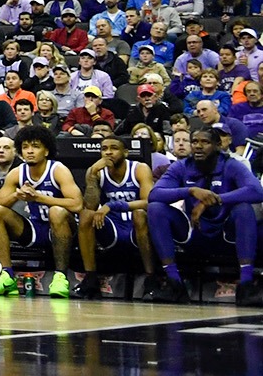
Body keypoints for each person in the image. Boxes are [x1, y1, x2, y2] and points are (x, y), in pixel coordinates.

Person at [145, 126, 263, 304]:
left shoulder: (231, 164)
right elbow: (154, 194)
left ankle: (246, 285)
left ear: (218, 146)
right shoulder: (182, 166)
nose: (198, 146)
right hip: (194, 232)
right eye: (194, 142)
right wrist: (190, 191)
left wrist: (213, 199)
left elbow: (257, 191)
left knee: (244, 208)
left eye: (205, 142)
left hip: (225, 233)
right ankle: (175, 283)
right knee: (155, 208)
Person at [0, 125, 83, 298]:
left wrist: (38, 197)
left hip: (64, 229)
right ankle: (7, 274)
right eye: (25, 147)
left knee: (56, 212)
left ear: (46, 151)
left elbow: (77, 205)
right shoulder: (17, 172)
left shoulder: (58, 170)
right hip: (35, 228)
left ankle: (60, 277)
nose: (29, 151)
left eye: (35, 146)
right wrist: (16, 195)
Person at [75, 133, 155, 297]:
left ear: (125, 152)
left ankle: (151, 278)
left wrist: (113, 205)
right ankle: (90, 277)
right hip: (112, 229)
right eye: (104, 149)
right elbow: (90, 206)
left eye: (114, 148)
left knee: (139, 214)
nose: (108, 152)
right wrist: (92, 175)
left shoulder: (139, 169)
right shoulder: (96, 171)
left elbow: (149, 202)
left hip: (136, 228)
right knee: (86, 215)